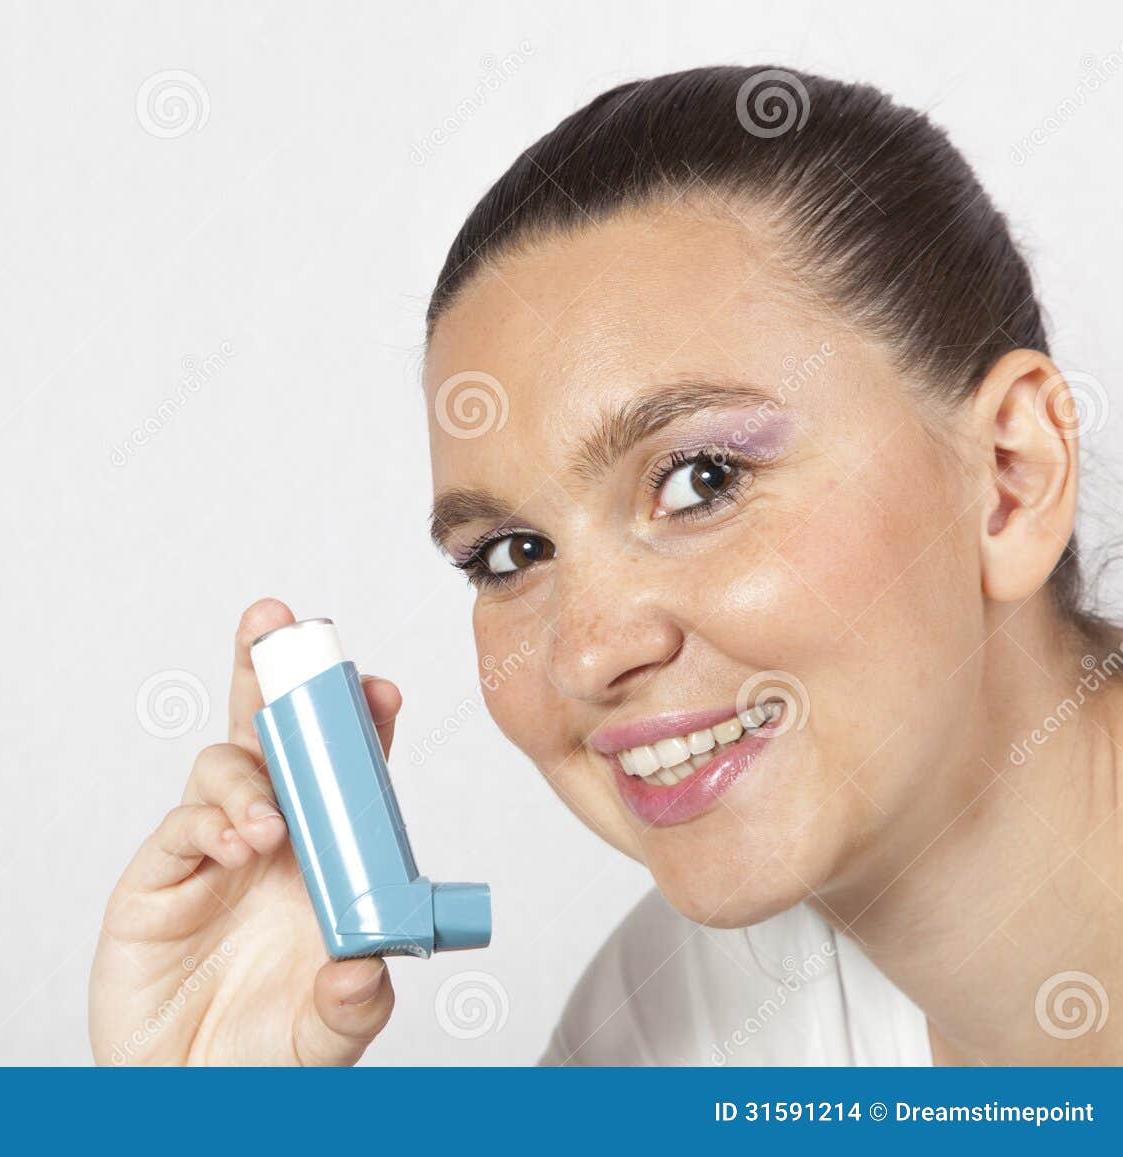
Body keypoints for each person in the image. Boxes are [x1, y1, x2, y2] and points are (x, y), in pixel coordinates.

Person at [89, 64, 1122, 1066]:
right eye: (511, 552)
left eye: (701, 479)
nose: (585, 653)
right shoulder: (687, 1023)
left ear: (1008, 477)